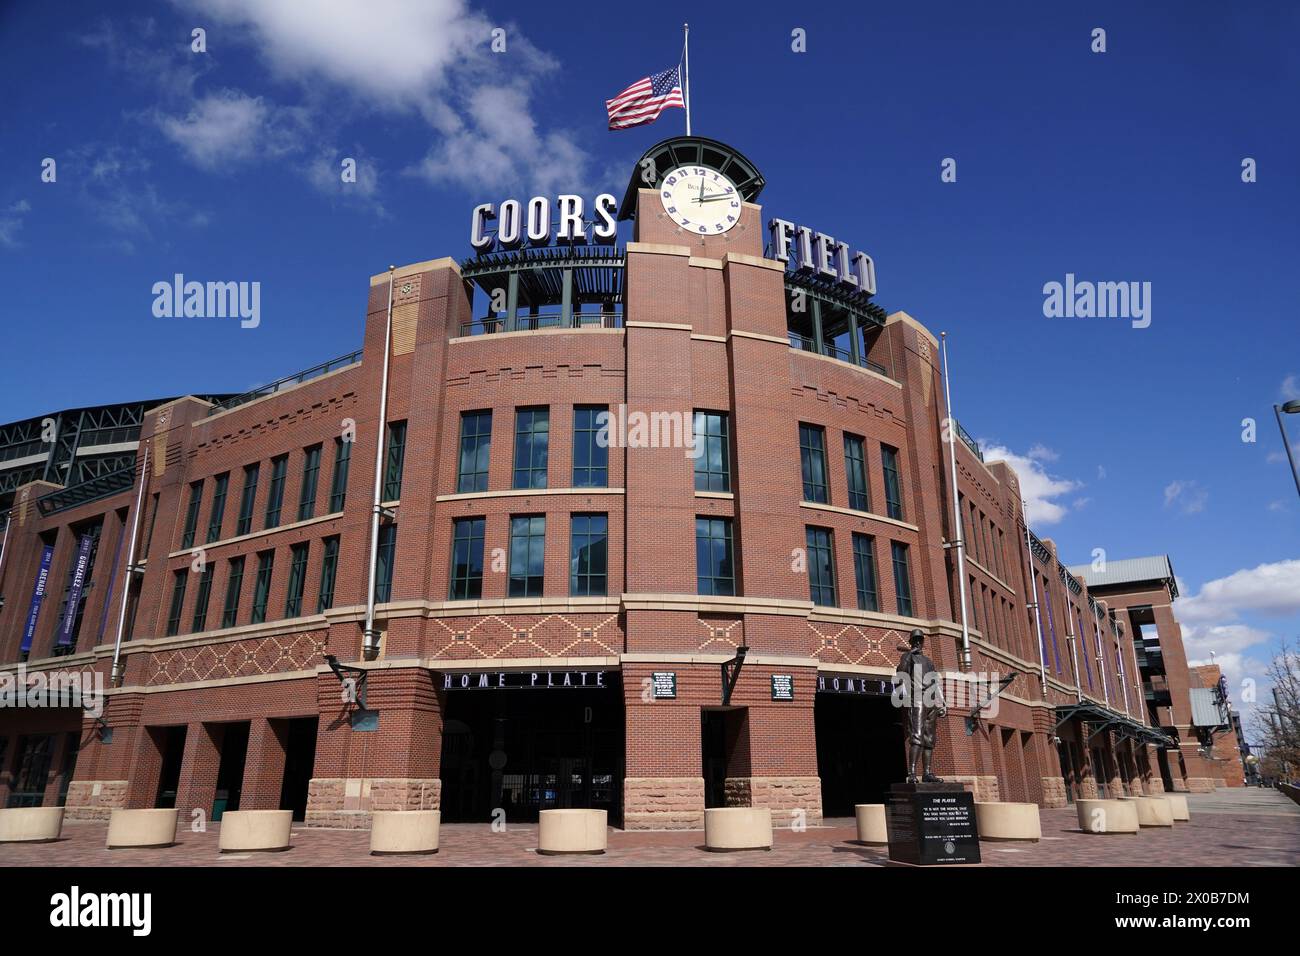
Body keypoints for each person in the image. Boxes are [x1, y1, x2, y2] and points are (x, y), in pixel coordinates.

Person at [894, 628, 947, 783]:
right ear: (911, 642)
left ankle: (927, 773)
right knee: (917, 736)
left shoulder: (928, 662)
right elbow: (901, 674)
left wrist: (941, 701)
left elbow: (935, 682)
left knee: (929, 738)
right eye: (915, 640)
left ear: (923, 642)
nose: (918, 642)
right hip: (916, 698)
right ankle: (911, 774)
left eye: (920, 640)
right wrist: (909, 655)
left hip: (930, 700)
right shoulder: (907, 657)